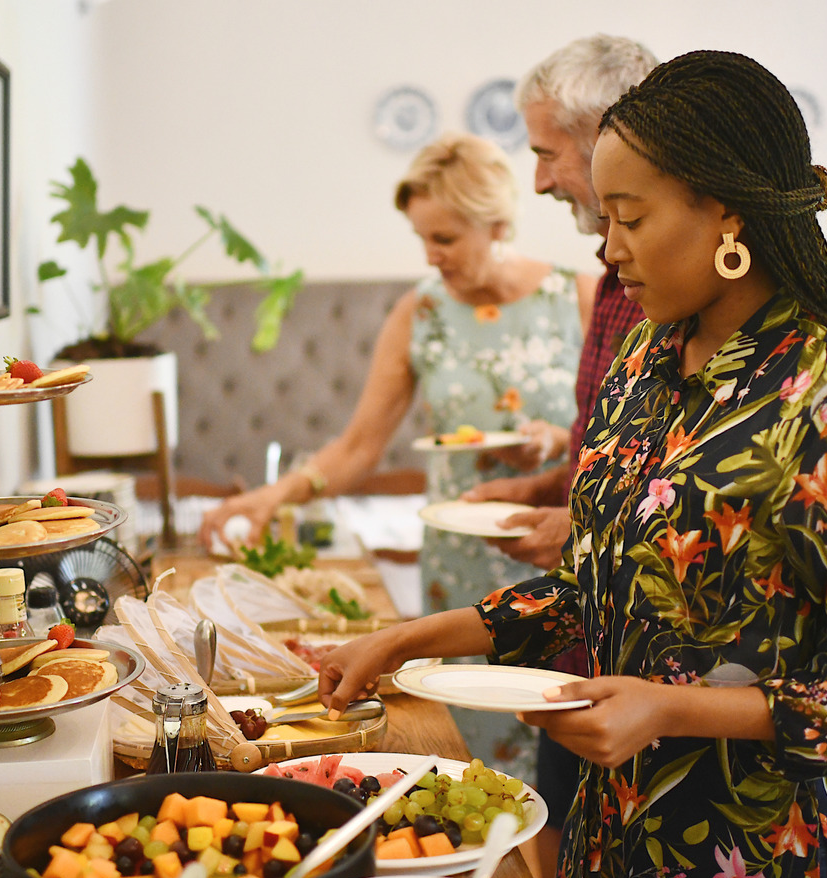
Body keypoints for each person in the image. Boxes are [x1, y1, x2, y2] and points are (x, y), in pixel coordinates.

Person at [318, 50, 827, 878]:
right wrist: (410, 640)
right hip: (618, 841)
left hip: (766, 861)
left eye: (631, 218)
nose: (609, 248)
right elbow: (593, 590)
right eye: (605, 217)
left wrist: (669, 708)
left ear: (723, 213)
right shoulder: (647, 359)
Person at [197, 131, 594, 616]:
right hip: (457, 563)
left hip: (562, 550)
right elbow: (358, 448)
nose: (430, 256)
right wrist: (272, 498)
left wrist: (557, 440)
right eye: (422, 238)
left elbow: (623, 438)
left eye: (444, 238)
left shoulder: (581, 298)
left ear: (498, 224)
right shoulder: (420, 311)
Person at [457, 34, 657, 878]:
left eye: (545, 152)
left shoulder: (678, 293)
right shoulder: (620, 273)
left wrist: (586, 520)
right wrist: (552, 491)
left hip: (645, 686)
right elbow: (612, 454)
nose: (536, 180)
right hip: (580, 637)